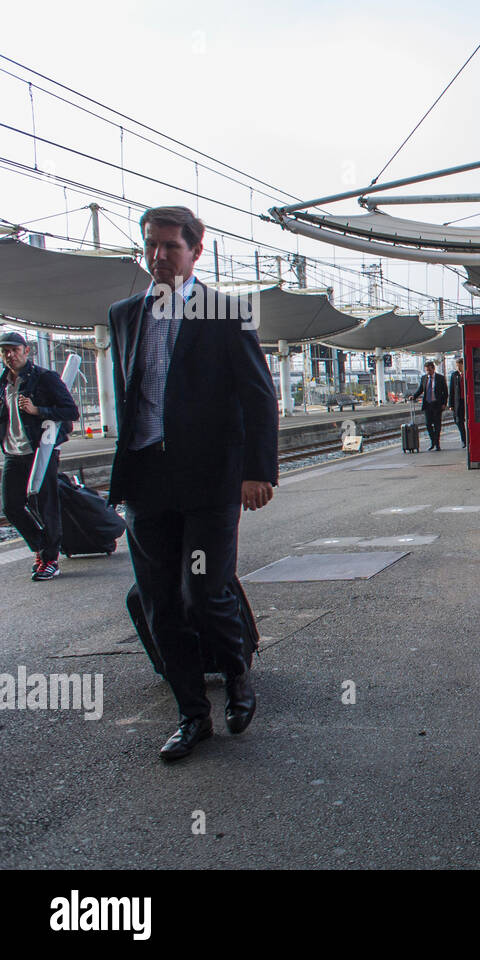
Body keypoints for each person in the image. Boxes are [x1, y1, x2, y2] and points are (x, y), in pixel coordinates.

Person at [107, 205, 278, 761]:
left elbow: (258, 396)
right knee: (160, 602)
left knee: (202, 590)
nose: (158, 256)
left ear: (196, 252)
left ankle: (236, 675)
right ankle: (191, 716)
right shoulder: (125, 313)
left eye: (170, 247)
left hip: (208, 480)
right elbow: (131, 394)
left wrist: (258, 471)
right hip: (148, 481)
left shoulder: (225, 314)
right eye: (150, 246)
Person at [0, 331, 79, 581]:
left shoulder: (44, 378)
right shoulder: (2, 382)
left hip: (40, 450)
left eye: (14, 349)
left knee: (46, 506)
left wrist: (38, 410)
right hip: (13, 452)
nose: (9, 355)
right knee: (11, 506)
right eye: (4, 351)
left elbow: (71, 411)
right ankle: (42, 546)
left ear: (27, 351)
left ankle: (50, 560)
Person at [408, 360, 449, 451]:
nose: (428, 372)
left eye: (429, 370)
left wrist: (444, 404)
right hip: (427, 404)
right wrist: (414, 396)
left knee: (437, 425)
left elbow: (445, 392)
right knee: (428, 424)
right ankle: (432, 442)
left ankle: (437, 444)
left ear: (433, 369)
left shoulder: (440, 378)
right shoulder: (424, 378)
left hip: (437, 404)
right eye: (426, 370)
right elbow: (420, 390)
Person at [449, 356, 467, 448]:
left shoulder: (468, 373)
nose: (458, 368)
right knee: (458, 421)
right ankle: (464, 440)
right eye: (457, 366)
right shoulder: (454, 375)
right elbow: (451, 390)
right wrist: (451, 404)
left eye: (459, 366)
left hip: (467, 401)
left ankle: (469, 438)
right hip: (458, 401)